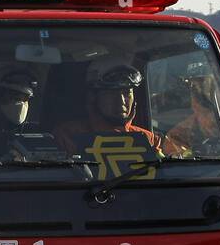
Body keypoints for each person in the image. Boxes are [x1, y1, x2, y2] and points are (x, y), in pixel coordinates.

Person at [55, 63, 187, 177]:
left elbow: (177, 173)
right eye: (111, 93)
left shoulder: (150, 139)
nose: (121, 101)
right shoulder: (69, 134)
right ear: (94, 98)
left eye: (126, 93)